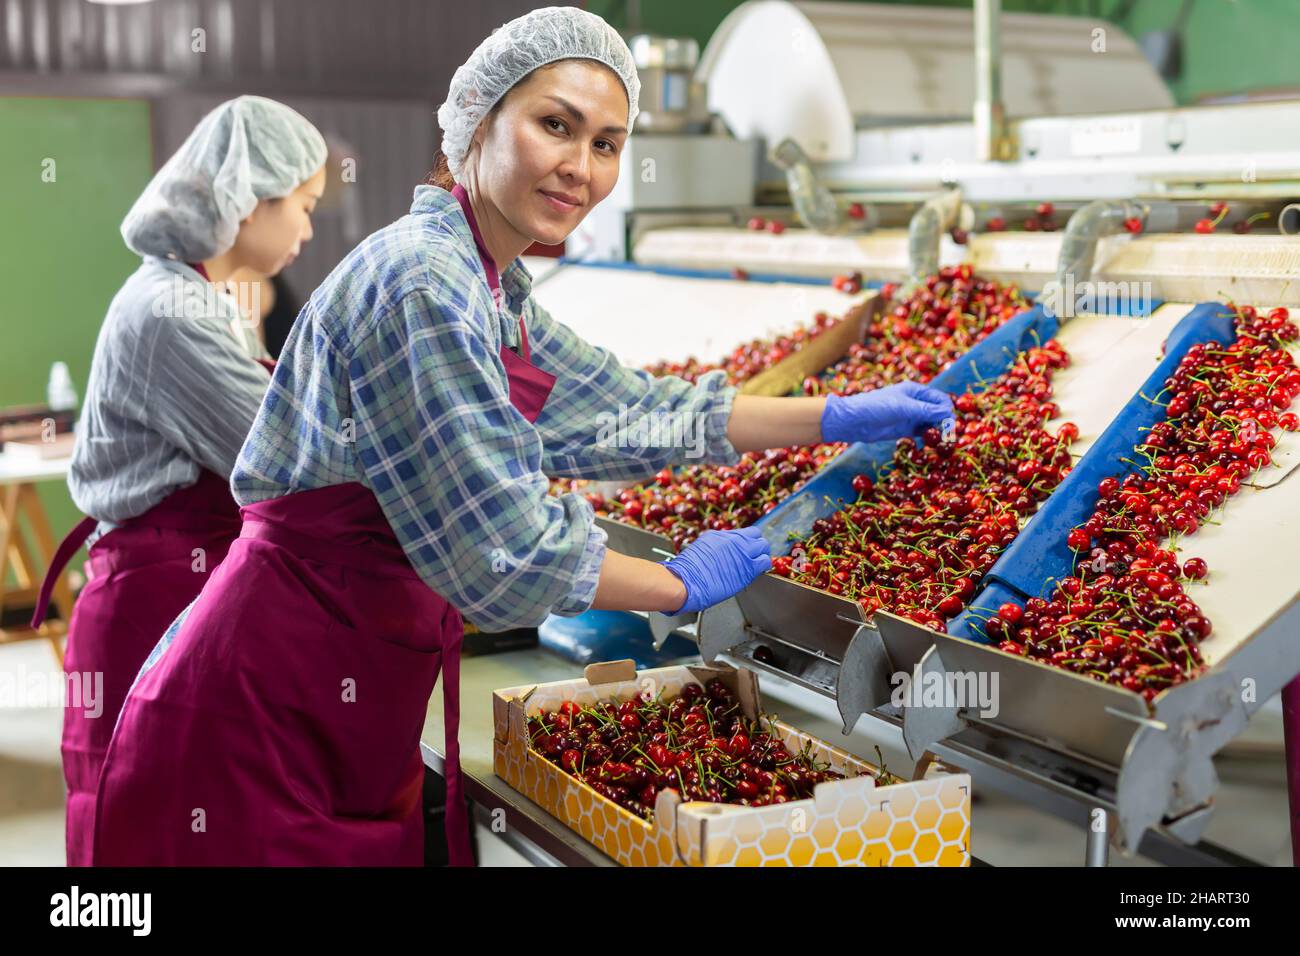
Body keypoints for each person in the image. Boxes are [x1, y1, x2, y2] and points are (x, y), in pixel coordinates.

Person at [92, 7, 952, 866]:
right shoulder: (425, 285)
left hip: (341, 696)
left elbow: (632, 408)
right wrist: (676, 584)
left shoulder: (488, 285)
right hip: (265, 709)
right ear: (478, 117)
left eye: (609, 144)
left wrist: (835, 416)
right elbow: (502, 551)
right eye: (555, 126)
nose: (581, 167)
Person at [30, 96, 326, 867]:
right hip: (148, 609)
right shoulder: (172, 313)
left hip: (178, 604)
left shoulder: (200, 300)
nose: (308, 228)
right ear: (252, 196)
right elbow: (295, 460)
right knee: (142, 834)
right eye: (304, 204)